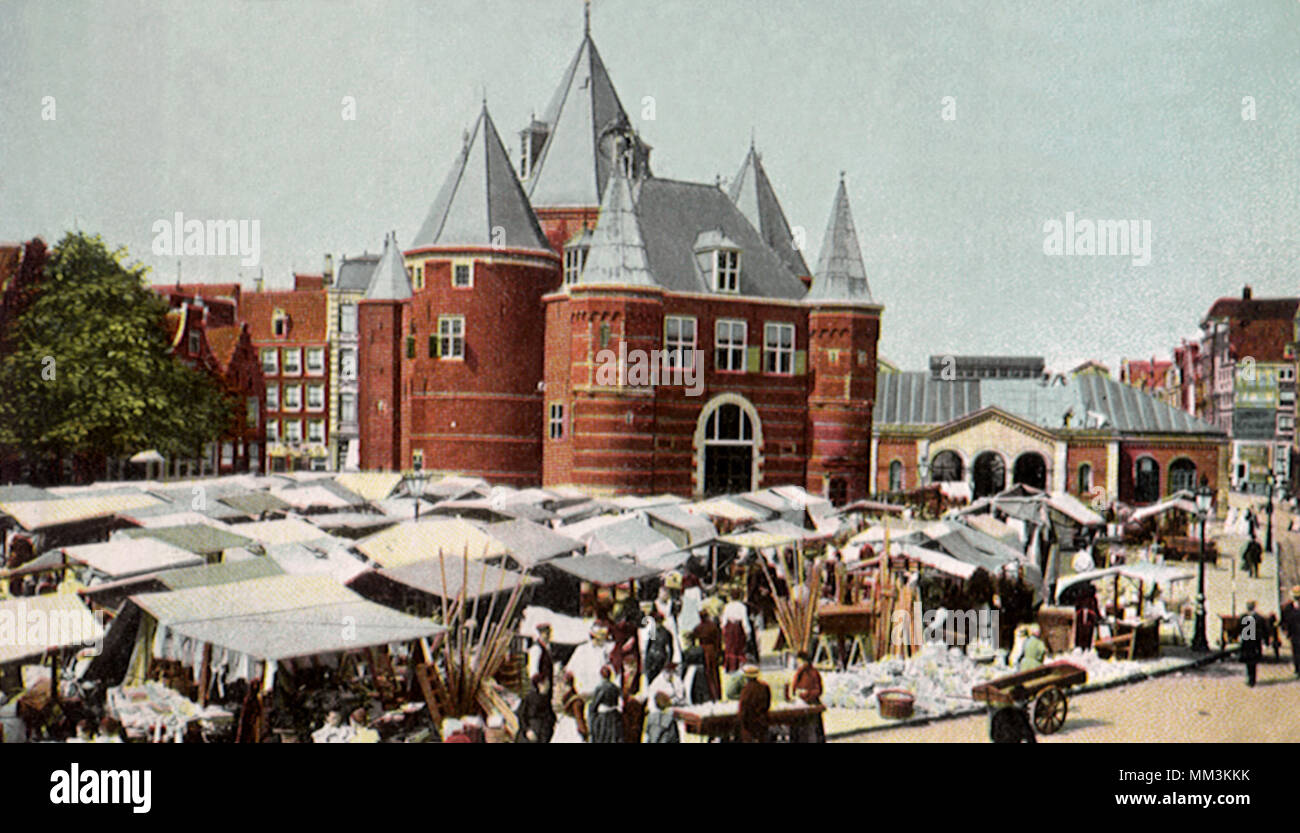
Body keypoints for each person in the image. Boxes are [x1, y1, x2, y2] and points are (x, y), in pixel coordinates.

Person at [789, 650, 825, 743]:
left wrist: (806, 694)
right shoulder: (799, 673)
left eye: (799, 661)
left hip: (811, 704)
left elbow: (818, 690)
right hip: (800, 704)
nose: (798, 664)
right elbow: (793, 687)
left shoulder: (813, 673)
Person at [565, 625, 611, 696]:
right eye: (602, 636)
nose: (604, 639)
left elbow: (609, 669)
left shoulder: (605, 651)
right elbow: (570, 668)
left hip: (598, 692)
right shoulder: (582, 649)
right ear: (595, 636)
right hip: (581, 690)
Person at [692, 610, 723, 701]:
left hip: (703, 650)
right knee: (714, 673)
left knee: (707, 673)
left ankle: (710, 694)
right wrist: (719, 652)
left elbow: (692, 638)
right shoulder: (713, 626)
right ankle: (717, 694)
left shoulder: (698, 628)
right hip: (712, 650)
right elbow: (718, 640)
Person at [587, 665, 623, 743]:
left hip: (604, 717)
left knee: (603, 738)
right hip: (614, 716)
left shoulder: (600, 688)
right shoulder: (615, 687)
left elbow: (594, 704)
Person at [516, 674, 556, 743]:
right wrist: (527, 730)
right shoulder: (530, 698)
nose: (548, 684)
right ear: (539, 685)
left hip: (543, 734)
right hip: (530, 734)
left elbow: (549, 716)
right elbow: (521, 714)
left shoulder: (547, 699)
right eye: (546, 682)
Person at [737, 664, 771, 743]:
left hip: (749, 725)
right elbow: (767, 704)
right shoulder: (764, 687)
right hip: (762, 722)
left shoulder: (746, 690)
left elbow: (743, 710)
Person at [552, 672, 589, 743]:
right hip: (572, 727)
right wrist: (584, 732)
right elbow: (579, 719)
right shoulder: (576, 701)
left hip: (566, 725)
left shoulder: (568, 697)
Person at [721, 587, 751, 672]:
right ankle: (738, 666)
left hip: (729, 628)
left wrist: (723, 629)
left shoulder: (727, 606)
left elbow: (724, 620)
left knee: (730, 647)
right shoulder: (742, 607)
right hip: (738, 628)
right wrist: (747, 631)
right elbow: (745, 620)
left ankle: (731, 666)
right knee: (739, 647)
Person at [1240, 600, 1270, 687]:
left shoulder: (1254, 617)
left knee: (1251, 661)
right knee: (1250, 660)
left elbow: (1264, 630)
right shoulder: (1248, 617)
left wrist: (1265, 639)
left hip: (1251, 642)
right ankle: (1250, 677)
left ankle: (1251, 678)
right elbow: (1239, 628)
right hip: (1250, 642)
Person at [643, 608, 673, 687]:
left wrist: (668, 662)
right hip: (652, 656)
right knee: (650, 678)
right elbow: (648, 645)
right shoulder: (653, 631)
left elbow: (670, 649)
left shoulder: (666, 633)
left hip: (660, 657)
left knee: (659, 679)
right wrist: (646, 659)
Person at [527, 623, 554, 691]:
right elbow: (533, 671)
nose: (548, 636)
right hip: (540, 688)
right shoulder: (536, 649)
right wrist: (540, 684)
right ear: (540, 634)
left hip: (546, 686)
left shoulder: (547, 648)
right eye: (546, 633)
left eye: (549, 633)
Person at [1280, 586, 1300, 677]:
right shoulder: (1287, 608)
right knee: (1296, 653)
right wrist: (1286, 632)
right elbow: (1284, 621)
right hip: (1294, 634)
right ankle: (1298, 669)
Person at [1074, 584, 1101, 650]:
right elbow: (1096, 609)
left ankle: (1082, 646)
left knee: (1083, 630)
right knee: (1085, 631)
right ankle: (1084, 646)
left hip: (1085, 616)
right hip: (1087, 617)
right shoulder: (1092, 599)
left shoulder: (1082, 598)